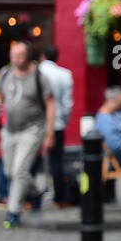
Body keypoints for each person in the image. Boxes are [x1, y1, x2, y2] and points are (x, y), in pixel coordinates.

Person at [0, 40, 55, 229]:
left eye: (19, 55)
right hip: (9, 130)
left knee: (20, 171)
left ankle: (13, 212)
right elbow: (1, 97)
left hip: (32, 130)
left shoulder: (39, 77)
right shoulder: (5, 73)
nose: (15, 59)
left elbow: (50, 104)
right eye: (13, 55)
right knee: (9, 172)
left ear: (28, 56)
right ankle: (36, 190)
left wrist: (50, 133)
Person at [37, 46, 74, 208]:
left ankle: (29, 199)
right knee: (57, 161)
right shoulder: (65, 74)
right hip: (57, 123)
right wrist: (63, 121)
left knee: (30, 160)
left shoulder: (35, 72)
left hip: (37, 123)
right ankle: (59, 198)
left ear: (42, 56)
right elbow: (67, 103)